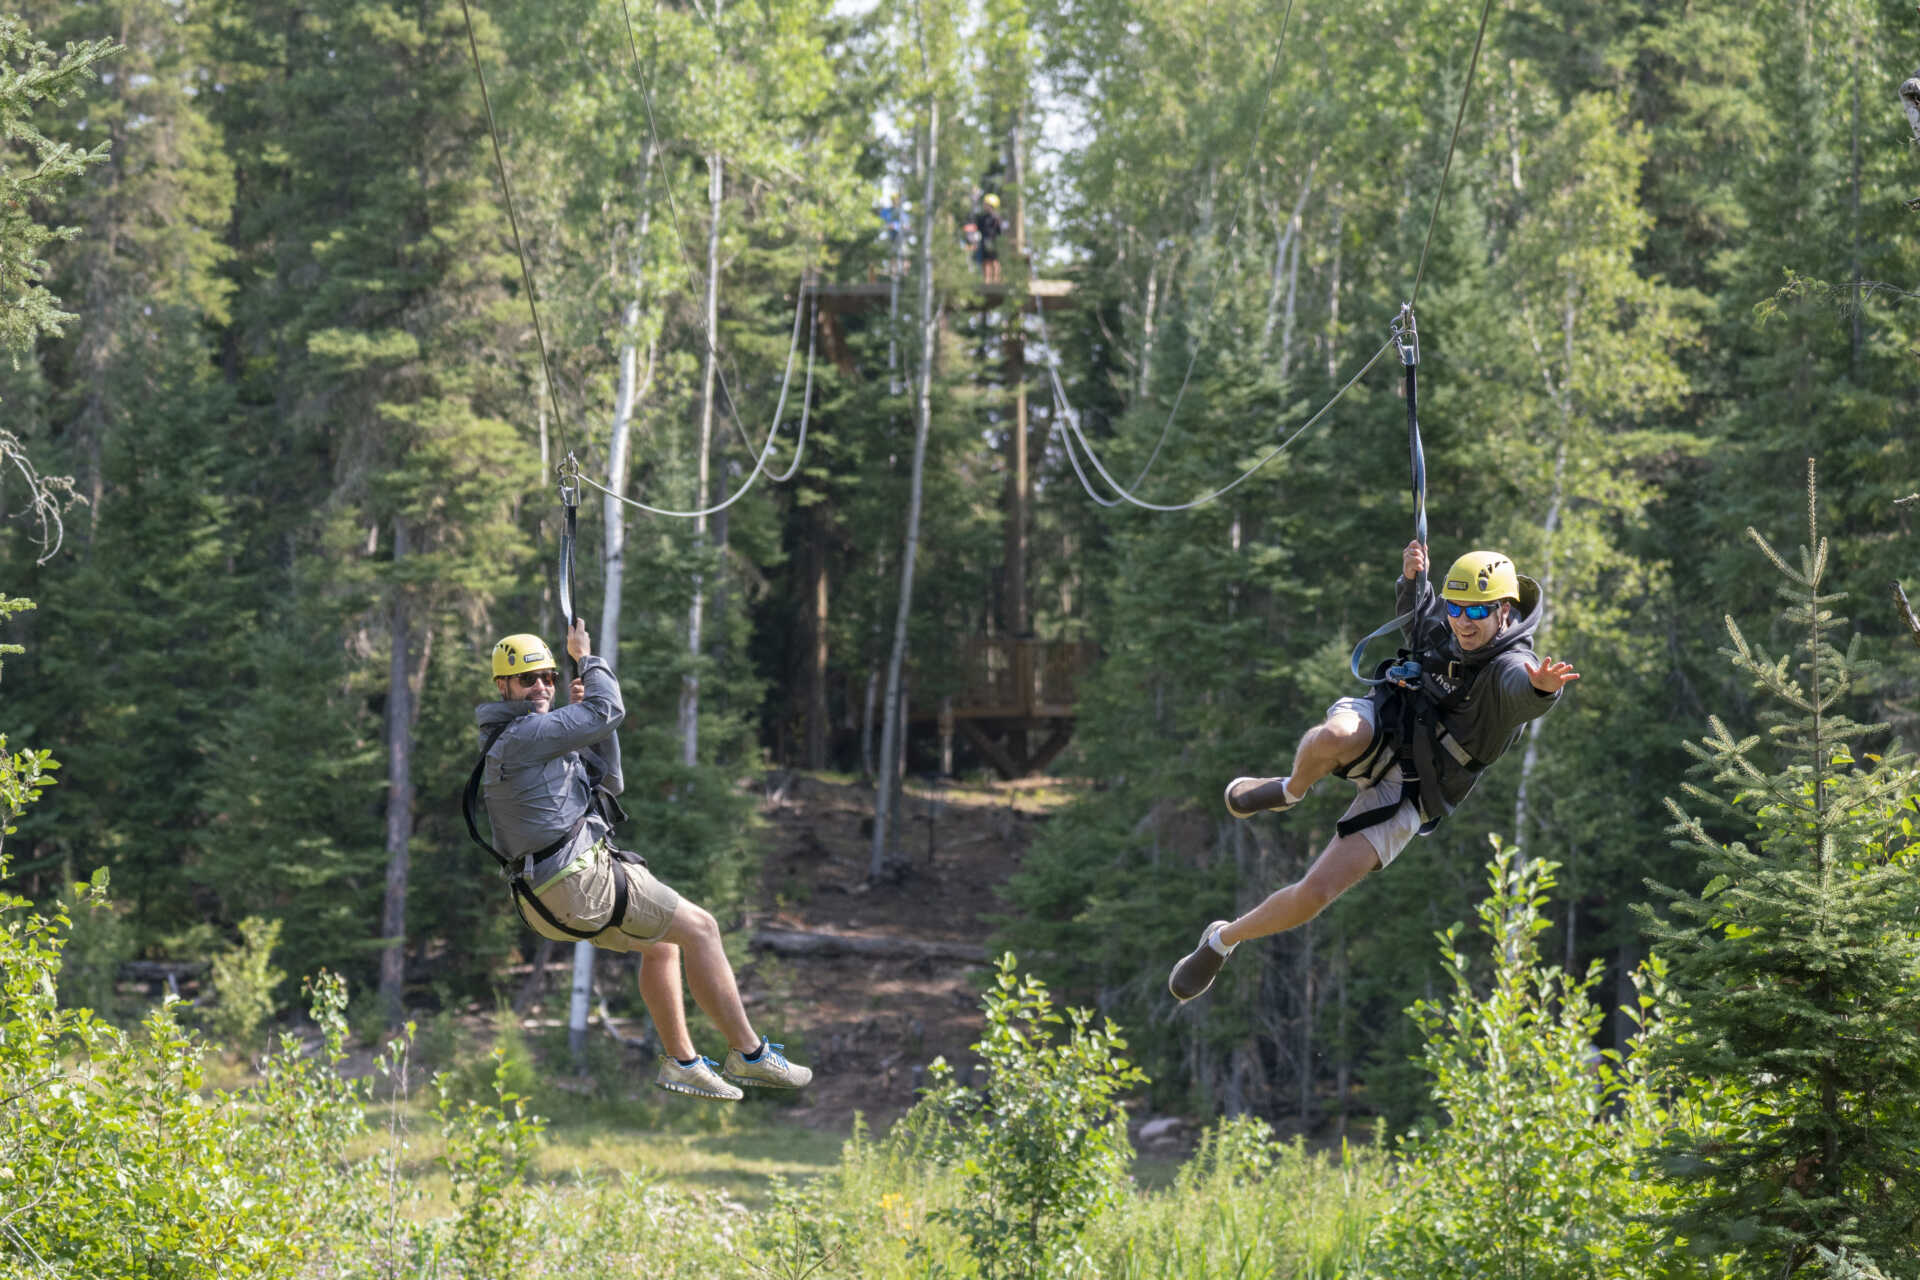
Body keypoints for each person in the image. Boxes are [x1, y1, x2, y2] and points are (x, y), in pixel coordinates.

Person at [1168, 542, 1581, 1001]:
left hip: (1418, 787)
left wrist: (1542, 689)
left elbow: (1520, 689)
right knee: (1333, 738)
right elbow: (1417, 615)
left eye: (1477, 611)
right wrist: (1411, 579)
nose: (1463, 621)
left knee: (1316, 894)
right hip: (1388, 721)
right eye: (1456, 607)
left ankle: (1221, 941)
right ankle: (1290, 788)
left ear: (1503, 610)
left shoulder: (1510, 666)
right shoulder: (1446, 625)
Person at [473, 622, 812, 1100]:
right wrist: (587, 660)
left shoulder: (529, 739)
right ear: (503, 686)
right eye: (529, 680)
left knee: (662, 945)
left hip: (542, 904)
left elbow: (610, 781)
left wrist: (587, 717)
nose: (542, 687)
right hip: (577, 884)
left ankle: (682, 1061)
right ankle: (750, 1054)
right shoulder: (526, 733)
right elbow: (610, 707)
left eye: (549, 677)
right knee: (702, 928)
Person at [974, 191, 1003, 283]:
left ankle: (996, 279)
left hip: (993, 241)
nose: (984, 205)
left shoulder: (996, 217)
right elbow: (978, 228)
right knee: (985, 261)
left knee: (994, 260)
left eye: (986, 204)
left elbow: (999, 231)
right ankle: (987, 279)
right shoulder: (983, 217)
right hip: (984, 240)